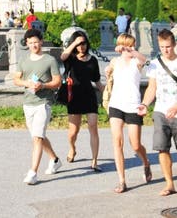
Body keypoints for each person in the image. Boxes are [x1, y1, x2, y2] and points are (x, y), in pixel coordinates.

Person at [14, 27, 62, 185]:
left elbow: (57, 82)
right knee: (38, 136)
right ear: (26, 43)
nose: (34, 45)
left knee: (37, 138)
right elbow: (16, 79)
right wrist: (27, 83)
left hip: (44, 103)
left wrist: (43, 86)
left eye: (36, 42)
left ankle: (33, 172)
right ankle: (54, 160)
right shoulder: (23, 60)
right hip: (28, 102)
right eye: (31, 42)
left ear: (41, 42)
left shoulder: (49, 60)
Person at [105, 32, 151, 193]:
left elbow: (145, 60)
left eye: (130, 45)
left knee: (136, 145)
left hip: (133, 106)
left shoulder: (136, 61)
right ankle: (122, 180)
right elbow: (108, 70)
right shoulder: (115, 61)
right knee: (117, 142)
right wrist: (107, 71)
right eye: (124, 45)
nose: (126, 48)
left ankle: (145, 162)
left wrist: (131, 50)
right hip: (116, 105)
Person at [139, 28, 177, 197]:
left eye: (168, 46)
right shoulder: (155, 64)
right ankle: (169, 183)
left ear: (174, 44)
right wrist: (145, 104)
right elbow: (152, 88)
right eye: (162, 47)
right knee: (163, 149)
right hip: (161, 111)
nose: (165, 50)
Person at [60, 31, 103, 171]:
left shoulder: (93, 60)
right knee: (73, 131)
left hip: (89, 96)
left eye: (83, 43)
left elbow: (97, 80)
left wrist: (107, 93)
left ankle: (94, 161)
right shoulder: (70, 58)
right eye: (79, 44)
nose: (81, 47)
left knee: (93, 126)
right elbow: (63, 56)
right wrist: (74, 43)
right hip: (74, 96)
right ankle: (72, 148)